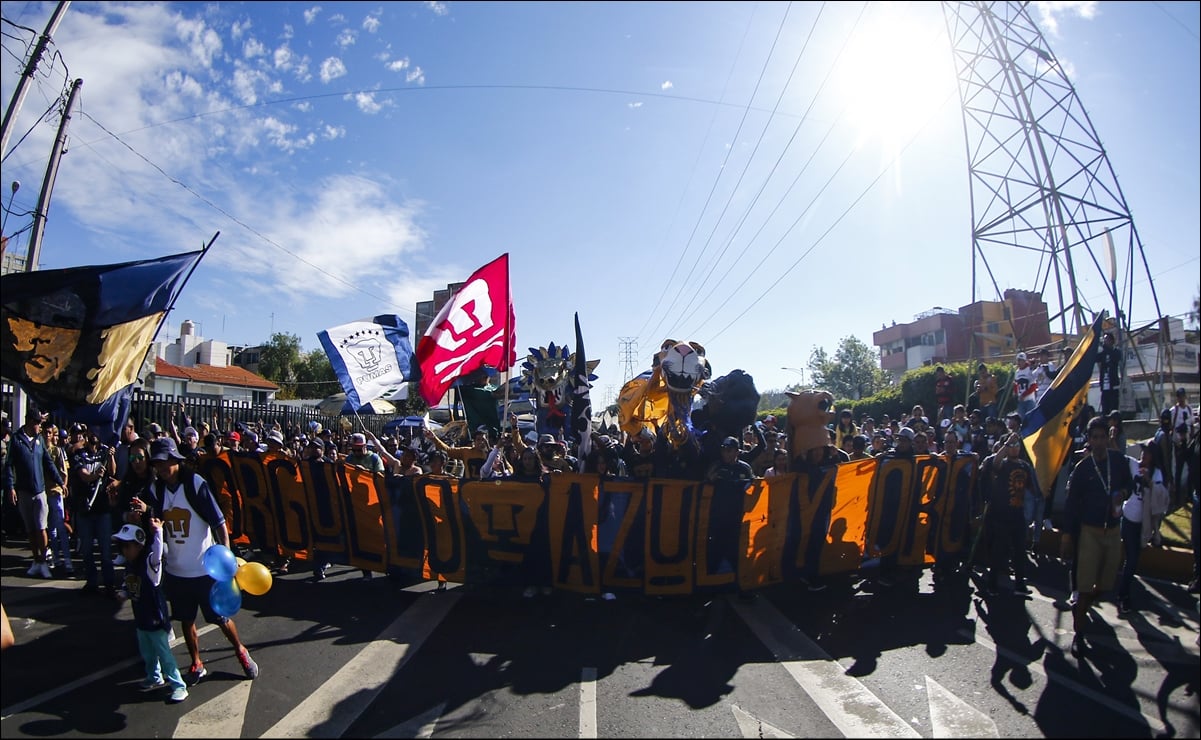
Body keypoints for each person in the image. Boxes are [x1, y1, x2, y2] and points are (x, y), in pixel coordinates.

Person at [137, 436, 259, 683]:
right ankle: (196, 662)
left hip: (205, 569)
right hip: (176, 570)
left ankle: (240, 651)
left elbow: (219, 522)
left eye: (165, 462)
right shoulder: (156, 489)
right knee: (186, 619)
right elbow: (152, 517)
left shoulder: (194, 484)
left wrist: (226, 556)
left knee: (221, 619)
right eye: (157, 464)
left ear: (176, 461)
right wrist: (142, 513)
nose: (161, 468)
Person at [1063, 415, 1133, 656]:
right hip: (1089, 532)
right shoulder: (1082, 469)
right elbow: (1071, 505)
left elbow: (1130, 485)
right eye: (1095, 437)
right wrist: (1067, 536)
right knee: (1083, 587)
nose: (1099, 441)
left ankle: (1082, 607)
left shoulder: (1119, 461)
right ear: (1089, 440)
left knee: (1106, 584)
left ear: (1107, 437)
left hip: (1113, 530)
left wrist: (1123, 492)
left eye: (1103, 437)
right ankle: (1079, 634)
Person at [113, 521, 188, 703]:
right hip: (141, 618)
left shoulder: (149, 564)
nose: (124, 550)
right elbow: (129, 583)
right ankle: (154, 677)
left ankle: (179, 685)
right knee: (147, 652)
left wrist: (158, 532)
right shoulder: (130, 565)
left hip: (155, 619)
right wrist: (124, 593)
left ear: (139, 546)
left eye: (128, 546)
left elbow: (157, 554)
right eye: (121, 546)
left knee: (164, 655)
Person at [3, 406, 64, 578]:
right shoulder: (16, 440)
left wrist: (60, 480)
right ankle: (36, 560)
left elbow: (48, 462)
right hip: (23, 490)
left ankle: (43, 561)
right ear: (30, 421)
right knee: (30, 528)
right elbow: (9, 465)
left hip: (39, 491)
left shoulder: (40, 440)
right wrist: (11, 487)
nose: (39, 426)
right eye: (37, 422)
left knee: (41, 527)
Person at [977, 433, 1038, 596]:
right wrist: (1006, 444)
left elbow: (1031, 487)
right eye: (1012, 446)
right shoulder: (1002, 464)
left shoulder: (1025, 466)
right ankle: (992, 584)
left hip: (1017, 513)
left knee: (1019, 550)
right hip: (1001, 513)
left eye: (1017, 445)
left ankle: (1019, 584)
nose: (1015, 448)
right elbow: (995, 463)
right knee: (999, 550)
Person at [1115, 440, 1170, 616]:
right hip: (1128, 518)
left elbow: (1161, 497)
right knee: (1131, 559)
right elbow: (1118, 455)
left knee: (1132, 559)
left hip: (1143, 522)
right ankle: (1123, 595)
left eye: (1147, 453)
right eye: (1142, 452)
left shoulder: (1157, 474)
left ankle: (1123, 589)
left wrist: (1150, 483)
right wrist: (1111, 438)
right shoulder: (1133, 464)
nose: (1143, 456)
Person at [71, 432, 119, 596]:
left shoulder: (105, 451)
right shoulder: (79, 454)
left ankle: (109, 583)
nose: (94, 436)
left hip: (102, 508)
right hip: (85, 508)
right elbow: (83, 475)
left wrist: (111, 457)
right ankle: (91, 582)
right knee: (87, 549)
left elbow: (112, 472)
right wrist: (94, 476)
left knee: (106, 550)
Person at [41, 420, 73, 576]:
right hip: (43, 492)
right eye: (45, 433)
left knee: (60, 527)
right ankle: (56, 558)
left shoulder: (57, 451)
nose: (47, 436)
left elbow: (64, 472)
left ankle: (67, 560)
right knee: (50, 529)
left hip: (55, 492)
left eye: (50, 433)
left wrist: (62, 488)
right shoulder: (39, 449)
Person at [1169, 387, 1195, 506]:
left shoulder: (1189, 409)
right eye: (1179, 396)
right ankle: (1177, 496)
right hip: (1178, 444)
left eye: (1182, 396)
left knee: (1191, 469)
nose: (1181, 399)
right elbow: (1171, 427)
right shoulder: (1174, 411)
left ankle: (1189, 494)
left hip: (1188, 443)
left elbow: (1192, 425)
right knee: (1178, 471)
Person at [1096, 332, 1122, 416]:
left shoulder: (1116, 352)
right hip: (1104, 385)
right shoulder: (1103, 353)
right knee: (1105, 408)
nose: (1104, 341)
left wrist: (1105, 348)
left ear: (1111, 341)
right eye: (1104, 339)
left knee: (1114, 407)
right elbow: (1095, 358)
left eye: (1106, 339)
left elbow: (1116, 357)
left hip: (1113, 384)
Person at [1012, 352, 1037, 421]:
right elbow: (1016, 384)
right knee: (1021, 420)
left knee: (1031, 419)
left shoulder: (1029, 370)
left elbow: (1034, 386)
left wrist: (1024, 395)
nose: (1019, 362)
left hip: (1029, 400)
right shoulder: (1017, 372)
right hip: (1021, 401)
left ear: (1024, 361)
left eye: (1021, 360)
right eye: (1018, 360)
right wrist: (1016, 393)